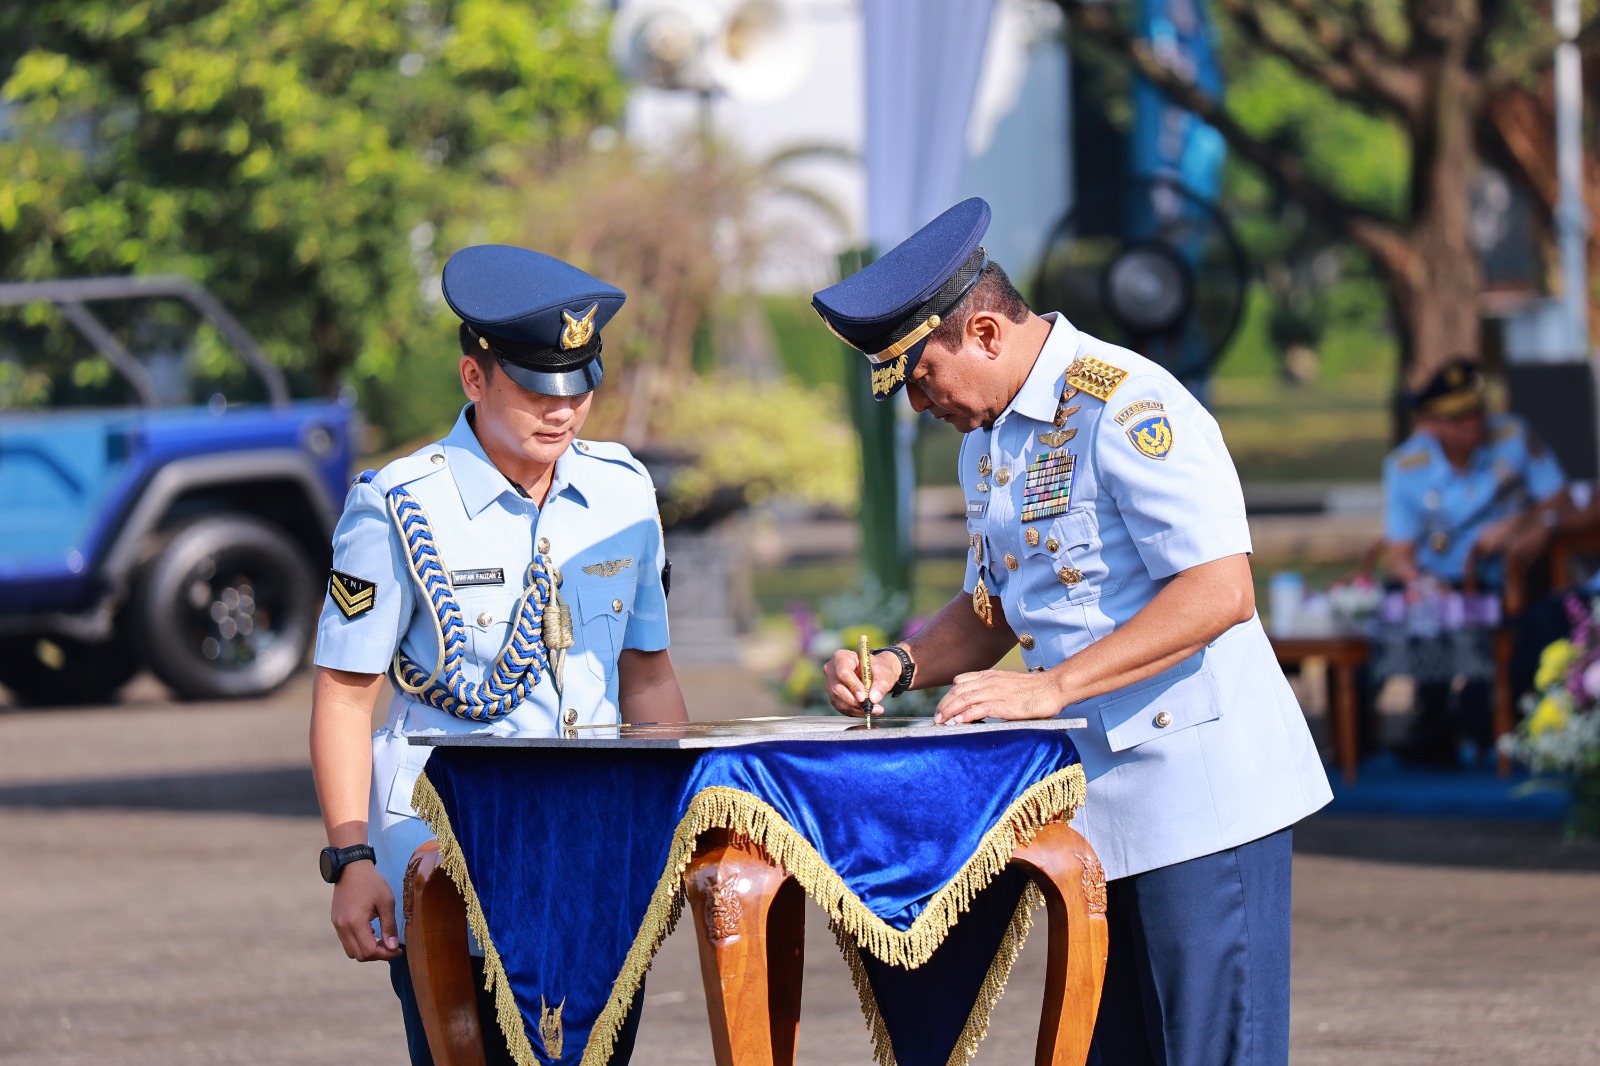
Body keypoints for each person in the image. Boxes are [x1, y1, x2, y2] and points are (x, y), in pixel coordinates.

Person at [813, 198, 1332, 1066]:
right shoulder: (987, 441)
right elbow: (998, 607)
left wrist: (1047, 688)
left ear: (982, 332)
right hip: (1099, 808)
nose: (919, 403)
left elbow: (1218, 591)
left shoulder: (1126, 405)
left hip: (1200, 795)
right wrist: (898, 667)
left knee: (1210, 1051)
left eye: (920, 377)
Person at [308, 244, 688, 1065]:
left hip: (595, 852)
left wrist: (668, 837)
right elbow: (345, 695)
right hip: (453, 858)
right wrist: (350, 857)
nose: (563, 412)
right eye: (535, 389)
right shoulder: (398, 506)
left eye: (580, 386)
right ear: (474, 378)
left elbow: (648, 677)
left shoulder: (624, 491)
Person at [1381, 357, 1571, 765]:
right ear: (1433, 423)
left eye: (1477, 411)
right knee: (1400, 617)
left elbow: (1561, 500)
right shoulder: (1406, 466)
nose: (1473, 424)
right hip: (1439, 584)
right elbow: (1399, 553)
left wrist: (1529, 522)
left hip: (1503, 584)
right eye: (1458, 418)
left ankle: (1483, 723)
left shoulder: (1513, 438)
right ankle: (1422, 728)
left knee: (1521, 643)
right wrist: (1418, 580)